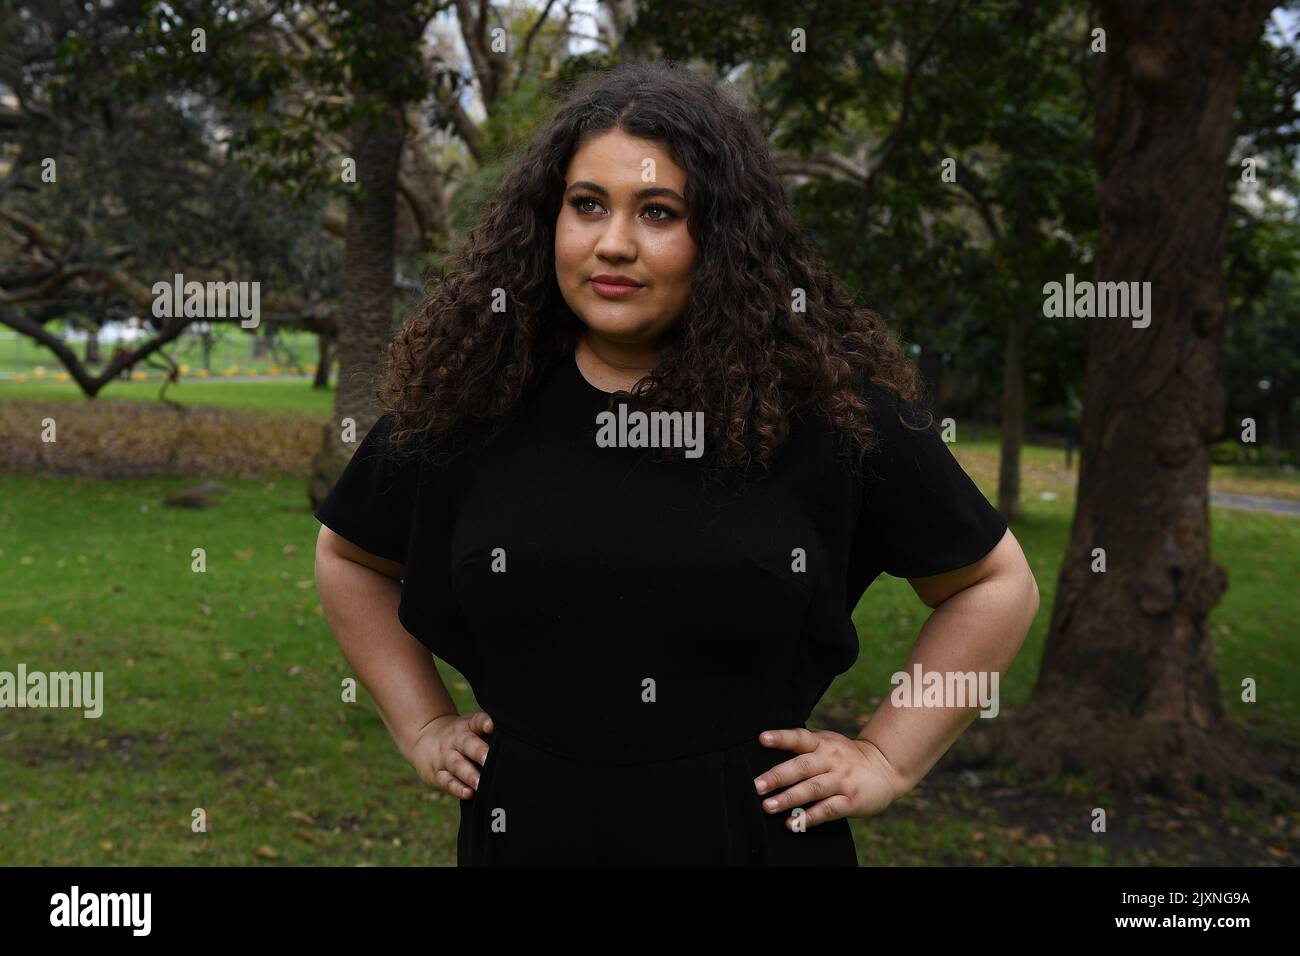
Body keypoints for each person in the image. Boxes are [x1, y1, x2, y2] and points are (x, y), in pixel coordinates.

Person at [313, 61, 1039, 866]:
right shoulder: (471, 400)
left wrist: (888, 756)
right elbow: (350, 555)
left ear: (722, 237)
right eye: (587, 205)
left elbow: (993, 585)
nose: (613, 244)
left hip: (747, 839)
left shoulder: (829, 412)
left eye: (658, 212)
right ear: (546, 220)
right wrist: (420, 724)